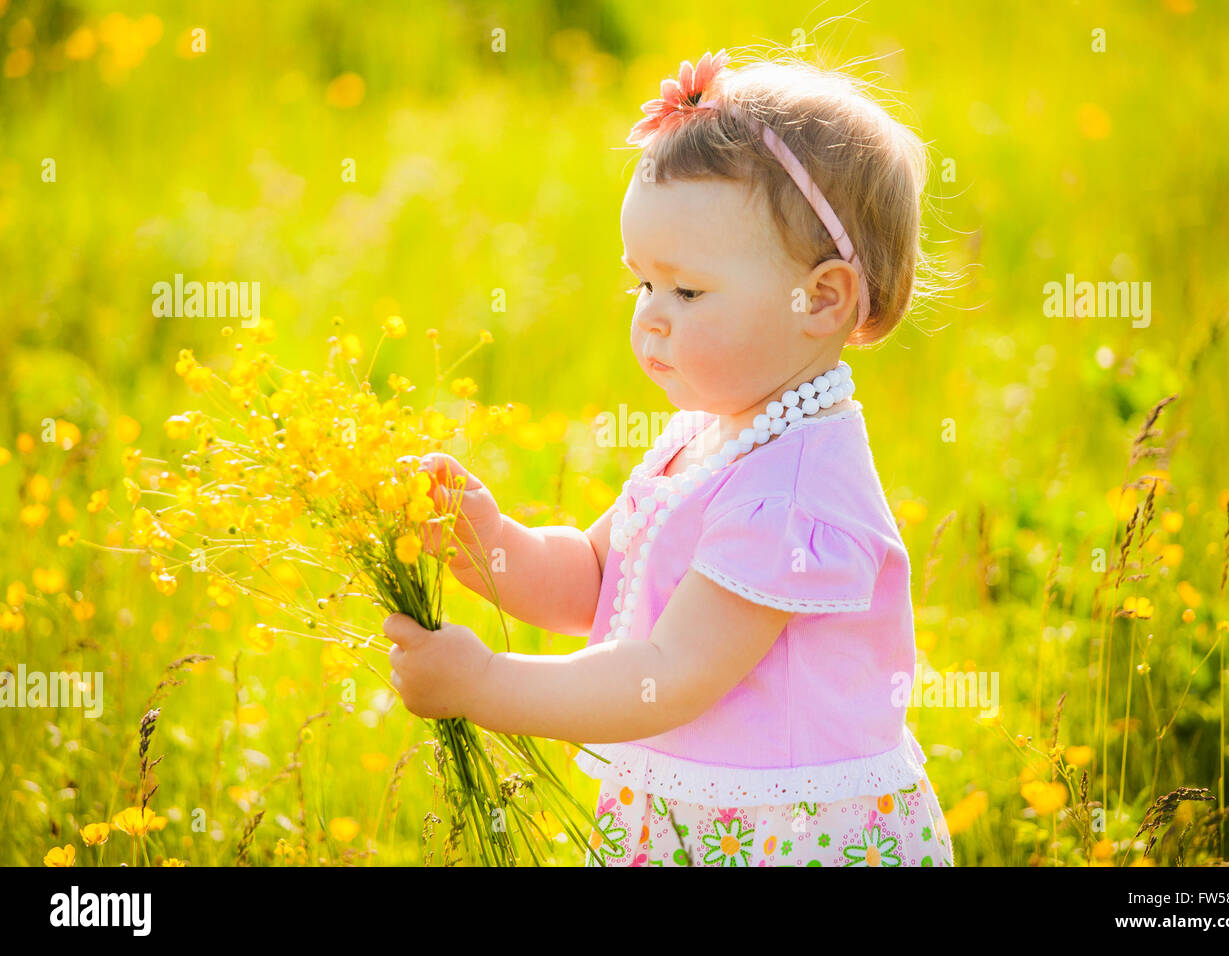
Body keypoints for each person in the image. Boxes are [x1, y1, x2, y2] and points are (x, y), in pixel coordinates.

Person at [385, 48, 953, 867]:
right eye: (641, 285)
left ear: (821, 298)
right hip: (698, 821)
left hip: (784, 838)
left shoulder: (791, 495)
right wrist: (489, 541)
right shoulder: (709, 436)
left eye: (686, 291)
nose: (650, 318)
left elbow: (670, 673)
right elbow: (597, 581)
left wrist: (485, 686)